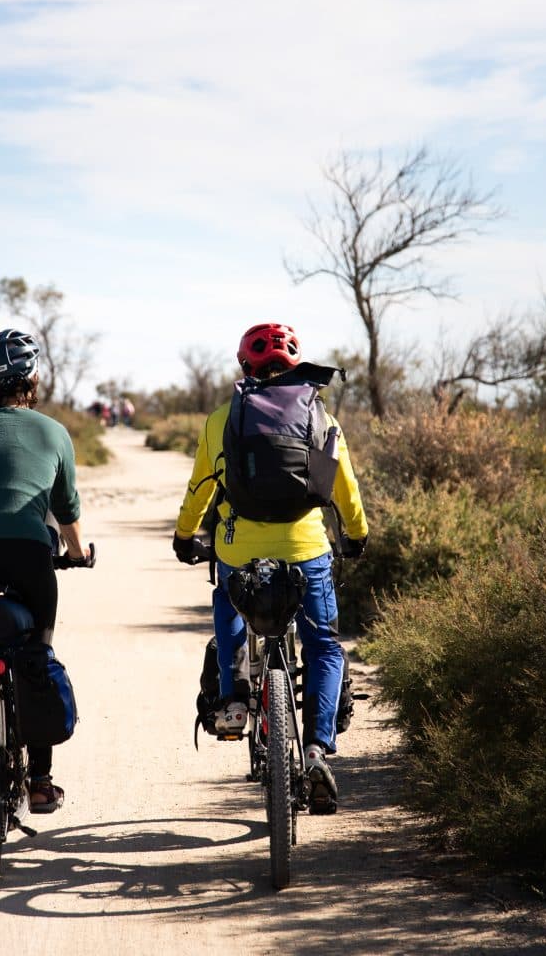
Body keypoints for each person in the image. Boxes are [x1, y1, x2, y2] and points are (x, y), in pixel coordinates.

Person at [172, 322, 369, 813]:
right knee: (322, 644)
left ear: (246, 367)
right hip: (306, 546)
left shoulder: (223, 418)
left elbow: (202, 487)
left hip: (240, 545)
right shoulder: (320, 415)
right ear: (296, 365)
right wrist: (357, 534)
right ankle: (319, 750)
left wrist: (185, 535)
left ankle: (234, 694)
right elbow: (343, 486)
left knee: (227, 596)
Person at [0, 328, 87, 814]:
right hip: (28, 556)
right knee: (34, 657)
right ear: (34, 377)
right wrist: (78, 551)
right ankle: (41, 782)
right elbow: (65, 508)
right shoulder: (54, 432)